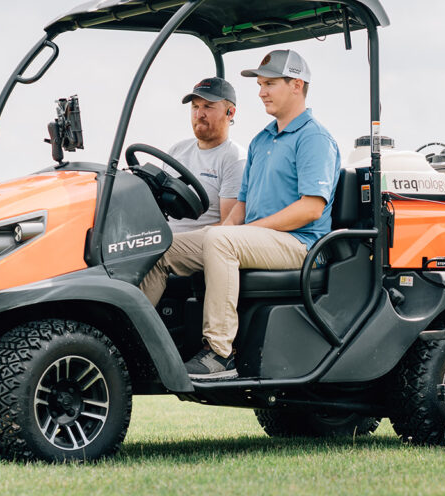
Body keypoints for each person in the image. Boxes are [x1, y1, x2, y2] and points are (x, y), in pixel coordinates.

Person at [141, 49, 341, 379]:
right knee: (163, 248)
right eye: (260, 85)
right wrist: (231, 229)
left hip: (301, 244)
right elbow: (241, 208)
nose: (261, 92)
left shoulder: (314, 138)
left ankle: (220, 354)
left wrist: (243, 232)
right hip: (259, 239)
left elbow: (311, 208)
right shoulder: (262, 140)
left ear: (296, 85)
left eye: (270, 84)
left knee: (223, 241)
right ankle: (130, 342)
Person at [166, 77, 245, 232]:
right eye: (195, 106)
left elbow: (229, 227)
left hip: (197, 243)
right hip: (158, 236)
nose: (199, 114)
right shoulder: (177, 150)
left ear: (230, 113)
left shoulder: (235, 159)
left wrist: (177, 241)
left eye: (208, 107)